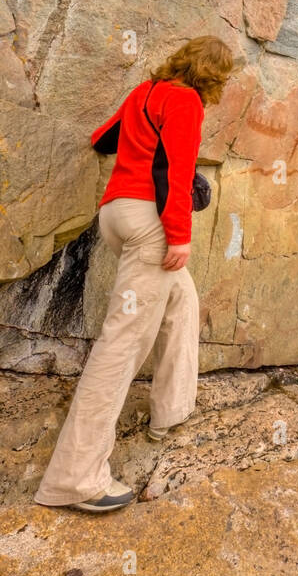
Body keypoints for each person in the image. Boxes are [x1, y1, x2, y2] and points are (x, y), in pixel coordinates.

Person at [34, 36, 234, 514]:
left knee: (181, 301)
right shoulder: (184, 99)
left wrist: (138, 145)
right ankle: (75, 478)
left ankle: (170, 410)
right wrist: (179, 234)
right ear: (212, 75)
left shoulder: (145, 92)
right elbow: (174, 167)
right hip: (151, 222)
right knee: (121, 343)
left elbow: (102, 138)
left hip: (117, 214)